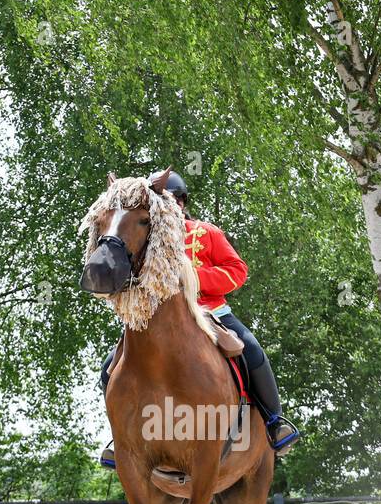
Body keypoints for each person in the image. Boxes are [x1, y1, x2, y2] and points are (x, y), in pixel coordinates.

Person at [99, 169, 300, 467]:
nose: (168, 206)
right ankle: (121, 438)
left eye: (172, 200)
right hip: (155, 320)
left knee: (253, 350)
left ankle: (274, 421)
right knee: (109, 368)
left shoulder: (206, 232)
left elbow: (237, 271)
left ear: (181, 202)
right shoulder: (144, 237)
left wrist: (194, 278)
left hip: (210, 312)